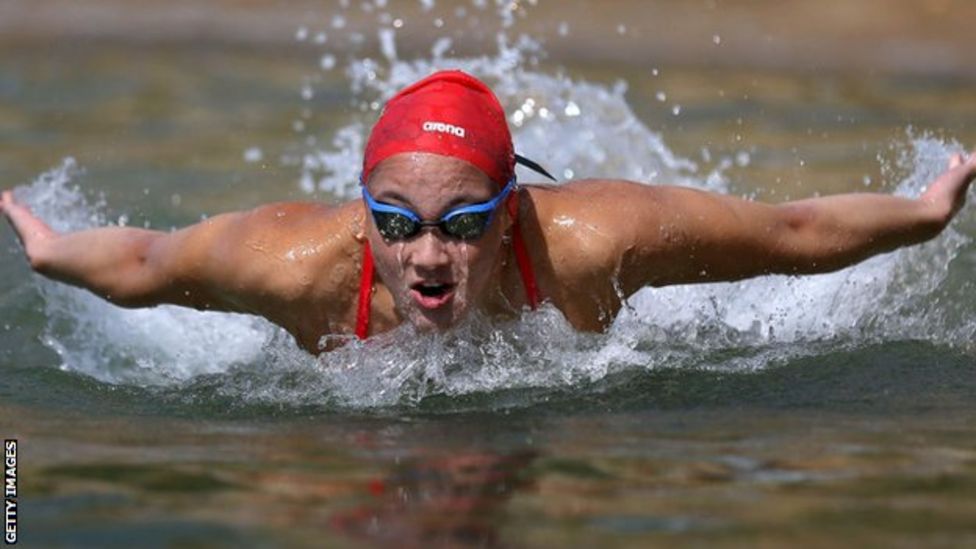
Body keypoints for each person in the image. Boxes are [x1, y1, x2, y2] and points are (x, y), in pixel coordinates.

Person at [2, 70, 974, 354]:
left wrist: (923, 213)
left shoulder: (594, 241)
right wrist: (48, 252)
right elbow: (143, 264)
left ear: (510, 214)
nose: (427, 255)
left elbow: (790, 235)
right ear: (364, 213)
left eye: (462, 225)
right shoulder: (299, 264)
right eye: (397, 222)